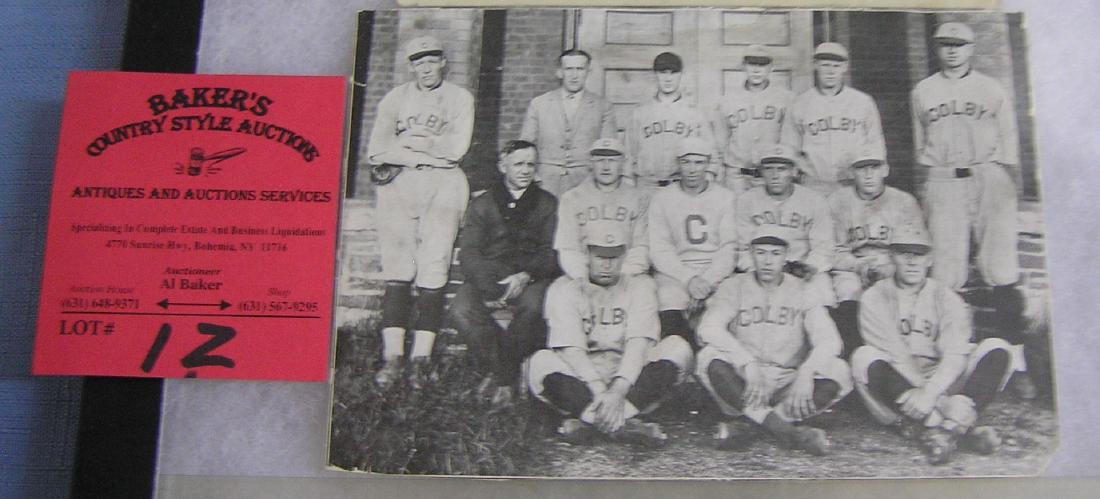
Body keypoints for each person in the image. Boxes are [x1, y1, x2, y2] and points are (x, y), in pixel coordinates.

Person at [910, 22, 1033, 398]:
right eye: (945, 45)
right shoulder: (923, 91)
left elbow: (1010, 141)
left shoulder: (991, 88)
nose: (952, 51)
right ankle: (952, 361)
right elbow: (920, 145)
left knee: (1001, 269)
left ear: (971, 48)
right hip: (945, 177)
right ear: (936, 49)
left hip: (988, 174)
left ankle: (1017, 364)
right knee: (947, 272)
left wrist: (1007, 182)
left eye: (959, 45)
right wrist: (928, 184)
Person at [851, 223, 1016, 465]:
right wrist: (935, 400)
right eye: (904, 254)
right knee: (863, 357)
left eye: (919, 254)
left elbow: (955, 354)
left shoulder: (947, 297)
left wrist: (932, 393)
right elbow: (896, 356)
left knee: (998, 348)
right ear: (891, 257)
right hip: (900, 385)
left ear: (930, 259)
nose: (912, 262)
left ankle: (942, 431)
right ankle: (959, 428)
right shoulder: (874, 297)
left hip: (942, 381)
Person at [366, 35, 475, 387]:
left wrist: (410, 141)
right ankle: (393, 357)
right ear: (411, 66)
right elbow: (377, 151)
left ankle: (420, 360)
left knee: (433, 266)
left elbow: (456, 150)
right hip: (399, 184)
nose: (426, 68)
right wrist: (425, 148)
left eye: (432, 61)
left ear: (444, 62)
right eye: (419, 62)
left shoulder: (460, 98)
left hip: (444, 184)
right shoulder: (395, 98)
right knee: (398, 268)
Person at [526, 224, 694, 446]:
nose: (607, 264)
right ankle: (627, 425)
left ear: (624, 255)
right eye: (599, 256)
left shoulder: (640, 286)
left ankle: (592, 421)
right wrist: (599, 389)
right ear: (587, 254)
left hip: (628, 375)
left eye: (613, 257)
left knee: (678, 348)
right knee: (539, 363)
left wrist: (617, 392)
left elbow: (638, 346)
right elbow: (572, 350)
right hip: (583, 374)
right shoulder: (565, 289)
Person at [695, 226, 852, 456]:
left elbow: (830, 340)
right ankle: (790, 433)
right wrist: (747, 362)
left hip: (787, 382)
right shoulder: (734, 286)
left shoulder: (804, 289)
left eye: (775, 253)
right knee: (707, 356)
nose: (767, 261)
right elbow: (708, 328)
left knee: (839, 370)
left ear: (786, 255)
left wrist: (807, 372)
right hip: (743, 383)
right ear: (751, 254)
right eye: (761, 252)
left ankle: (751, 427)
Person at [450, 140, 561, 404]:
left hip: (530, 276)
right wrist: (491, 286)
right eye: (518, 164)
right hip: (490, 276)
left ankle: (499, 378)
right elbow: (470, 252)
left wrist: (525, 275)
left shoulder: (547, 204)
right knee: (460, 309)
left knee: (533, 308)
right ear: (503, 166)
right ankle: (506, 374)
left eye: (530, 165)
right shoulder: (483, 203)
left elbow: (551, 252)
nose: (525, 170)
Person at [827, 147, 925, 356]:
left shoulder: (904, 201)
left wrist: (891, 268)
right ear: (852, 172)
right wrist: (858, 266)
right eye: (862, 169)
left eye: (875, 167)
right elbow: (832, 250)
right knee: (848, 292)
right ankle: (855, 355)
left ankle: (901, 356)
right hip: (852, 266)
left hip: (892, 265)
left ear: (885, 170)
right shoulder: (837, 202)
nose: (869, 175)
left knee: (899, 296)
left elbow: (916, 247)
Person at [647, 137, 737, 345]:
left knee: (726, 303)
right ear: (678, 164)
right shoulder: (662, 198)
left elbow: (728, 247)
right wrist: (689, 279)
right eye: (686, 162)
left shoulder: (725, 197)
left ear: (708, 163)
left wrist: (708, 280)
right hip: (676, 272)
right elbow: (659, 248)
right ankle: (678, 359)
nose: (692, 169)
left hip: (715, 272)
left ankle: (709, 358)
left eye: (698, 162)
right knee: (667, 297)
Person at [735, 143, 836, 308]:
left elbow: (824, 247)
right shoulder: (746, 201)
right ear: (761, 172)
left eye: (782, 169)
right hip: (761, 270)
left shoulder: (814, 200)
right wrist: (761, 271)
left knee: (821, 295)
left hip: (803, 269)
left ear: (794, 171)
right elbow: (742, 249)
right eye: (769, 169)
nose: (775, 175)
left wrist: (808, 268)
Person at [782, 42, 886, 196]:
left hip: (852, 185)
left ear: (845, 67)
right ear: (815, 66)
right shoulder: (800, 103)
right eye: (825, 65)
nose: (830, 71)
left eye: (836, 66)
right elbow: (788, 148)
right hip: (813, 185)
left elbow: (876, 146)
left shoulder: (862, 102)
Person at [520, 49, 617, 197]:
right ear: (559, 72)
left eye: (580, 69)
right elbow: (525, 146)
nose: (574, 75)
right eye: (569, 69)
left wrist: (598, 181)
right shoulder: (539, 104)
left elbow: (607, 150)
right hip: (545, 182)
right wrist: (534, 177)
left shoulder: (602, 106)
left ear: (587, 72)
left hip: (586, 182)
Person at [554, 138, 650, 281]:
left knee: (646, 292)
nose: (606, 167)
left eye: (612, 160)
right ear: (591, 164)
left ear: (623, 164)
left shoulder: (639, 198)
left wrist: (621, 275)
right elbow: (567, 248)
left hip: (627, 276)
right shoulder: (571, 198)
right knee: (558, 295)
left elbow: (641, 248)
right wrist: (584, 276)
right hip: (582, 275)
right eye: (600, 160)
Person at [625, 51, 717, 190]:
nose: (668, 78)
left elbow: (711, 154)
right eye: (663, 72)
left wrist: (706, 183)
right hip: (646, 185)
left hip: (681, 186)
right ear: (654, 75)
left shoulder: (694, 113)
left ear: (681, 75)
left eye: (673, 73)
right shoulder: (640, 112)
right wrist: (628, 185)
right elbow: (629, 154)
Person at [714, 44, 794, 195]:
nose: (756, 70)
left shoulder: (787, 99)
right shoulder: (727, 100)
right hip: (736, 176)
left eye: (762, 65)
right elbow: (719, 144)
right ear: (743, 66)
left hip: (771, 175)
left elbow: (791, 143)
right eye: (752, 64)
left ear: (771, 67)